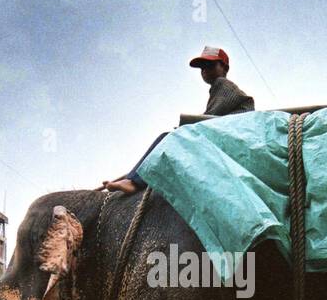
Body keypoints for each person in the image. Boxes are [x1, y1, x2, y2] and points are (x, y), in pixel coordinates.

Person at [102, 46, 255, 194]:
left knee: (168, 137)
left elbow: (208, 119)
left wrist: (181, 130)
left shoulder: (223, 84)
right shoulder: (218, 88)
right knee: (174, 138)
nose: (205, 70)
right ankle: (135, 176)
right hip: (227, 132)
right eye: (202, 67)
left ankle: (134, 182)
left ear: (224, 67)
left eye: (210, 65)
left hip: (234, 134)